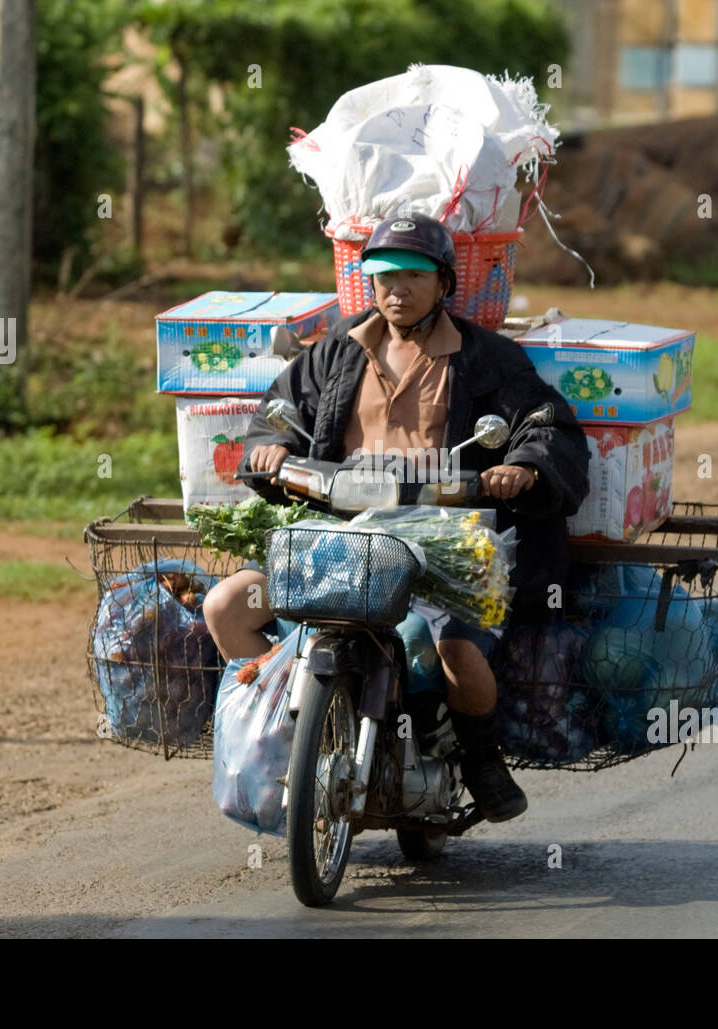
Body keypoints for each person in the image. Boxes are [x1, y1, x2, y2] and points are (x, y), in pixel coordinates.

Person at [202, 214, 589, 823]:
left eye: (414, 276)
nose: (397, 290)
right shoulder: (336, 350)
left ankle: (481, 758)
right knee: (226, 606)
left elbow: (545, 425)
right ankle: (279, 737)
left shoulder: (487, 358)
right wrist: (269, 448)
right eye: (385, 278)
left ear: (443, 283)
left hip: (446, 541)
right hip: (340, 534)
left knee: (458, 650)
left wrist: (523, 466)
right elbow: (278, 411)